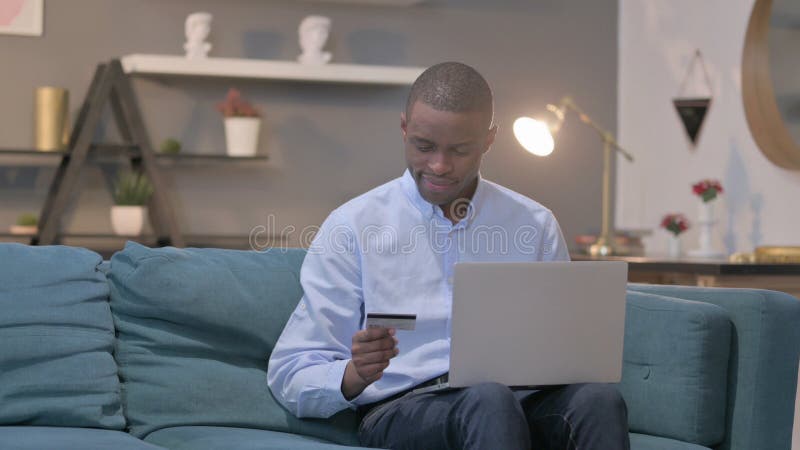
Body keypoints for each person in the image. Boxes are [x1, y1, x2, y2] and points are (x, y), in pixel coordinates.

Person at [267, 62, 630, 450]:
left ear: (489, 139)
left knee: (598, 399)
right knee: (489, 401)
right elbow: (291, 373)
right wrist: (354, 374)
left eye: (459, 150)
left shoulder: (534, 224)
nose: (439, 166)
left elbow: (561, 350)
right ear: (404, 128)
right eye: (424, 147)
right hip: (403, 405)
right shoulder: (352, 226)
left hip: (518, 399)